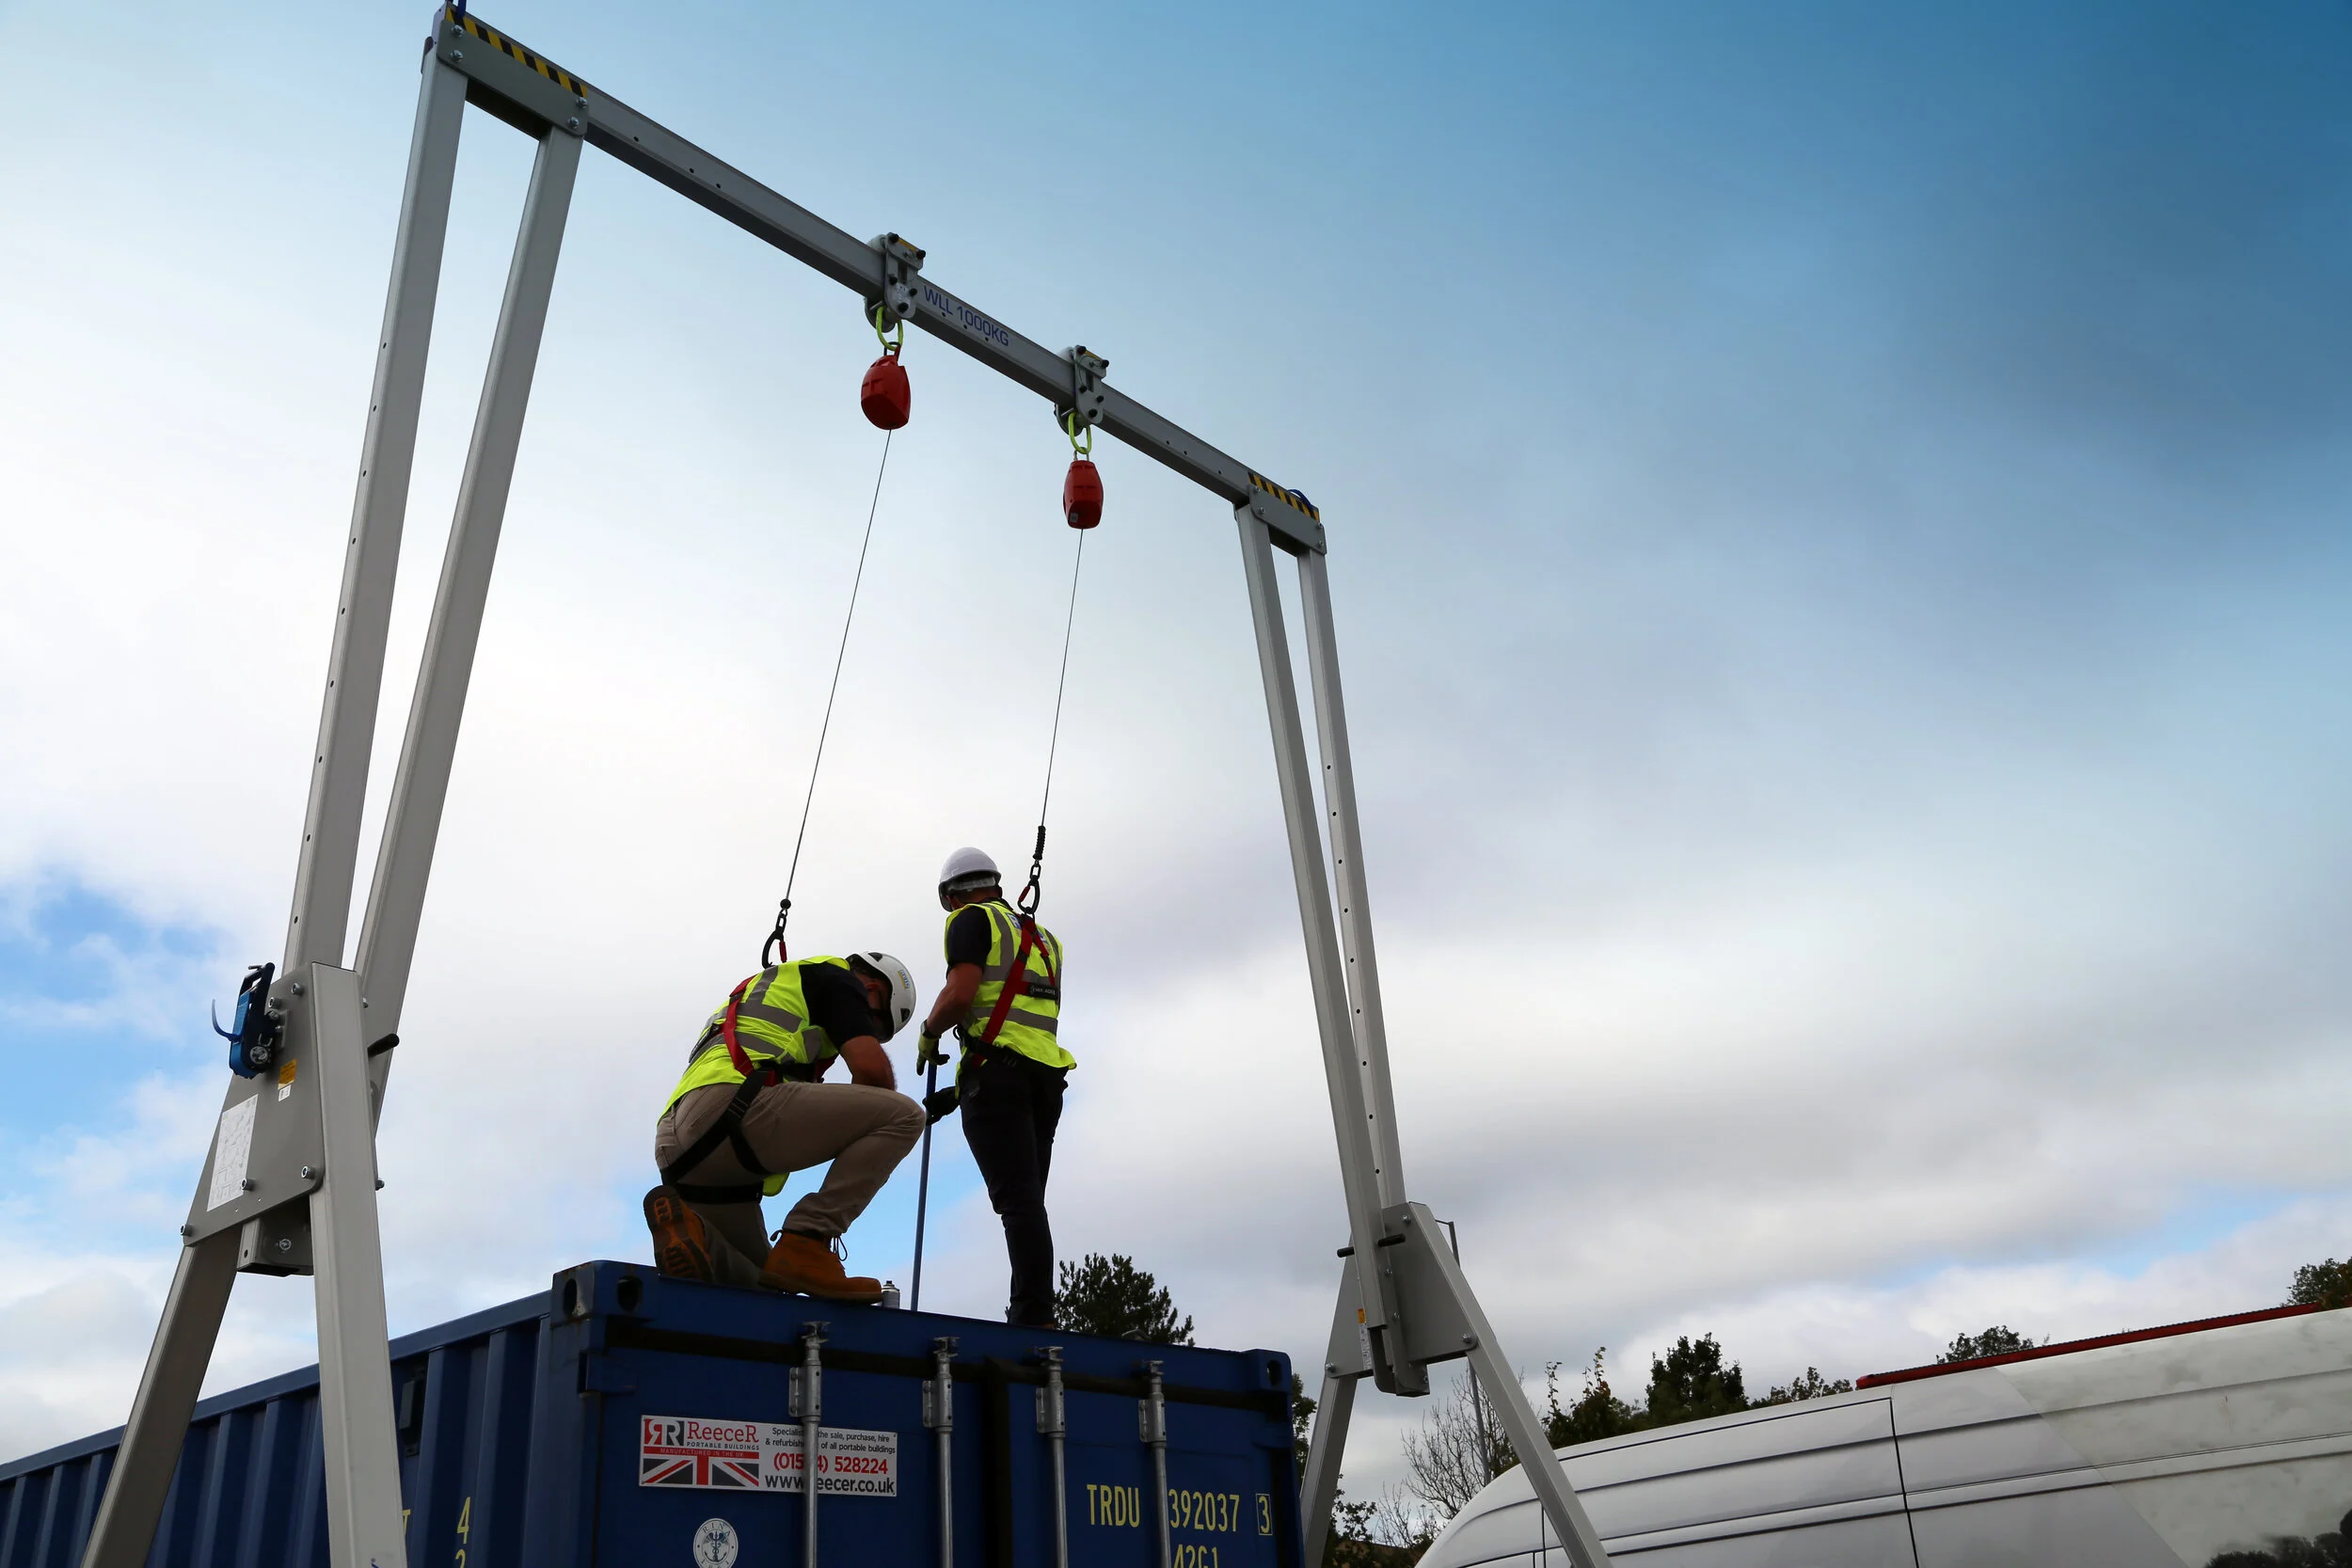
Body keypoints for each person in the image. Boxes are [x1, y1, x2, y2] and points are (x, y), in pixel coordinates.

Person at [644, 950, 925, 1303]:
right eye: (875, 1021)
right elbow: (873, 1075)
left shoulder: (774, 990)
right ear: (871, 987)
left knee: (766, 1294)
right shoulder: (838, 980)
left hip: (680, 1144)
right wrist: (856, 1138)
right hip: (733, 1109)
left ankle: (697, 1234)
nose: (869, 1028)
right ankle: (810, 1237)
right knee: (903, 1115)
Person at [916, 847, 1074, 1328]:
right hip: (1045, 1079)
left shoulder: (968, 921)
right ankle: (1030, 1308)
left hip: (999, 1079)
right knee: (1028, 1201)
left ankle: (1032, 1314)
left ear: (951, 896)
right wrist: (958, 1093)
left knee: (1017, 1202)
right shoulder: (1045, 938)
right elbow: (1022, 1026)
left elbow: (962, 995)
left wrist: (929, 1031)